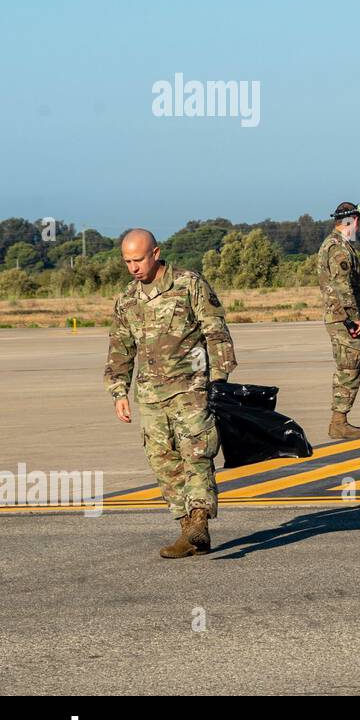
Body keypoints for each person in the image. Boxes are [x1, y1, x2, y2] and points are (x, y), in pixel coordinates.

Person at [105, 229, 236, 558]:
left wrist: (219, 378)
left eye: (138, 259)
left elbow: (215, 328)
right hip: (150, 396)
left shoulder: (188, 284)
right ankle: (187, 531)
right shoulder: (127, 300)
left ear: (156, 253)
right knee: (163, 462)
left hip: (190, 389)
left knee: (197, 454)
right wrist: (119, 390)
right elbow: (120, 349)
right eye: (127, 261)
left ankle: (200, 518)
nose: (133, 267)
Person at [318, 202, 360, 438]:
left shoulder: (338, 245)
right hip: (343, 318)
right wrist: (354, 317)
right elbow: (343, 287)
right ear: (352, 221)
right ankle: (339, 422)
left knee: (350, 366)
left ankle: (340, 420)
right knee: (349, 367)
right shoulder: (337, 248)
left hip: (341, 317)